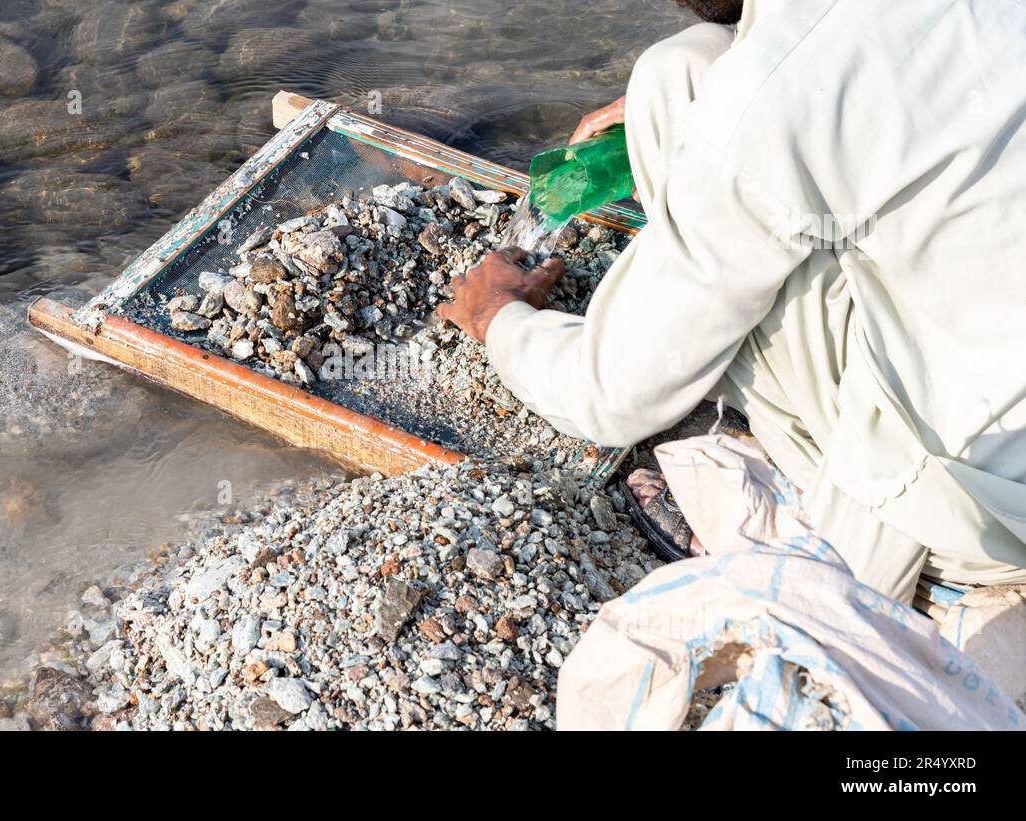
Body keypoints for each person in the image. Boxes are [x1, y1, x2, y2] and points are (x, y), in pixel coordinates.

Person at [437, 0, 1026, 605]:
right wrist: (729, 102)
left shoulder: (779, 92)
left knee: (706, 113)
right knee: (679, 69)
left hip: (980, 504)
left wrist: (498, 316)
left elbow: (608, 397)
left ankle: (824, 495)